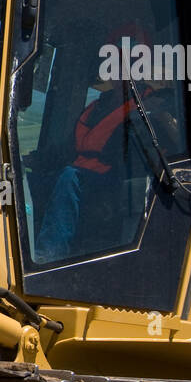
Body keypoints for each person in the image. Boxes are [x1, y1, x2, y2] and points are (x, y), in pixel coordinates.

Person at [36, 70, 155, 263]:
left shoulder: (147, 104)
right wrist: (37, 159)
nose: (118, 74)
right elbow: (70, 146)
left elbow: (138, 152)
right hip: (82, 172)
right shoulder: (98, 105)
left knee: (68, 178)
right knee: (29, 181)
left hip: (115, 179)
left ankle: (50, 255)